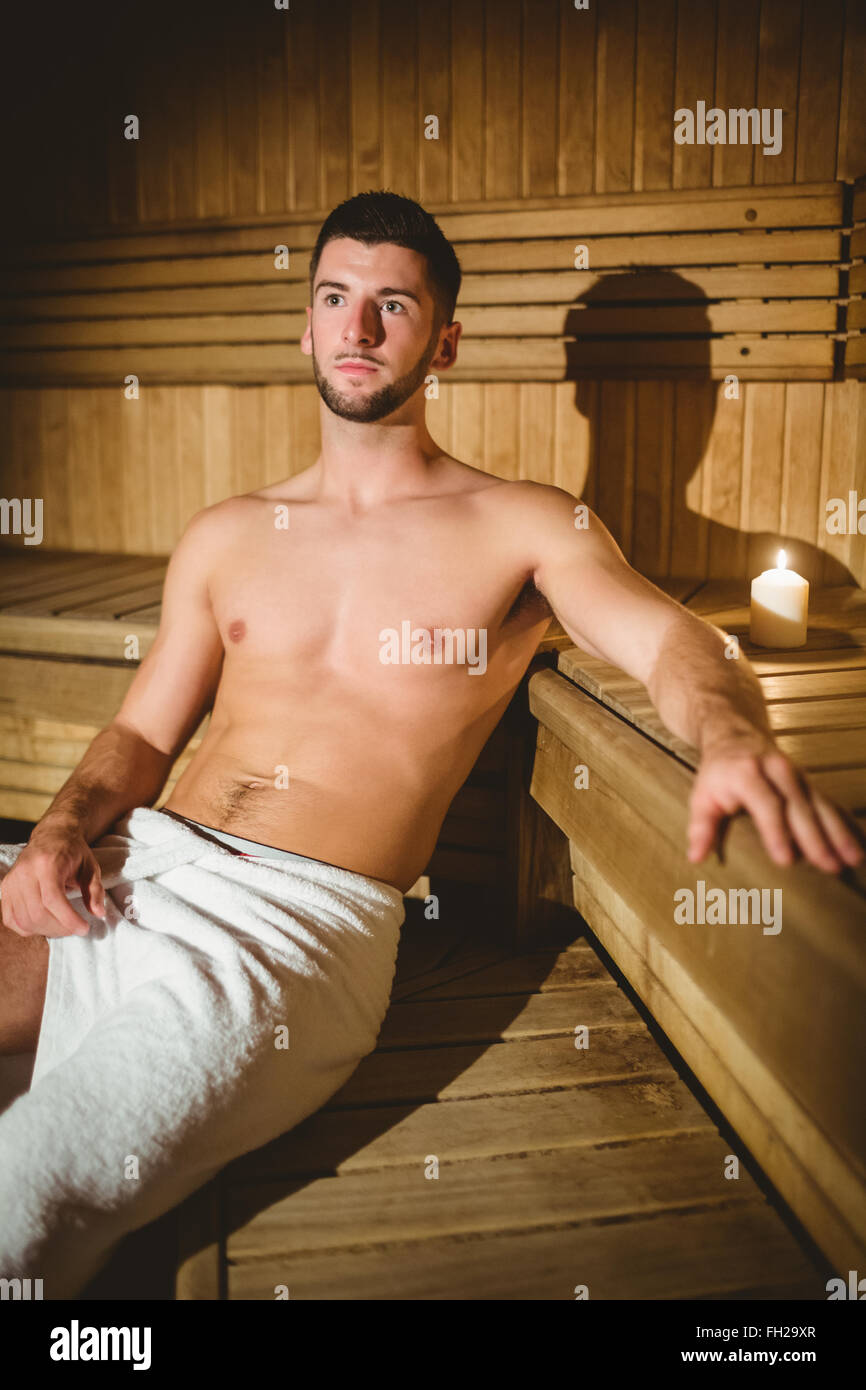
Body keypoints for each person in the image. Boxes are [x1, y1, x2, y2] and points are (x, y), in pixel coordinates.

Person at [0, 190, 861, 1296]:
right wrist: (56, 830)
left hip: (285, 931)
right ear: (306, 324)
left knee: (30, 1183)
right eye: (334, 298)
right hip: (128, 866)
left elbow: (675, 641)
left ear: (440, 340)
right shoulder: (224, 535)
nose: (356, 330)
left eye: (391, 305)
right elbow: (139, 731)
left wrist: (732, 738)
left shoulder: (525, 524)